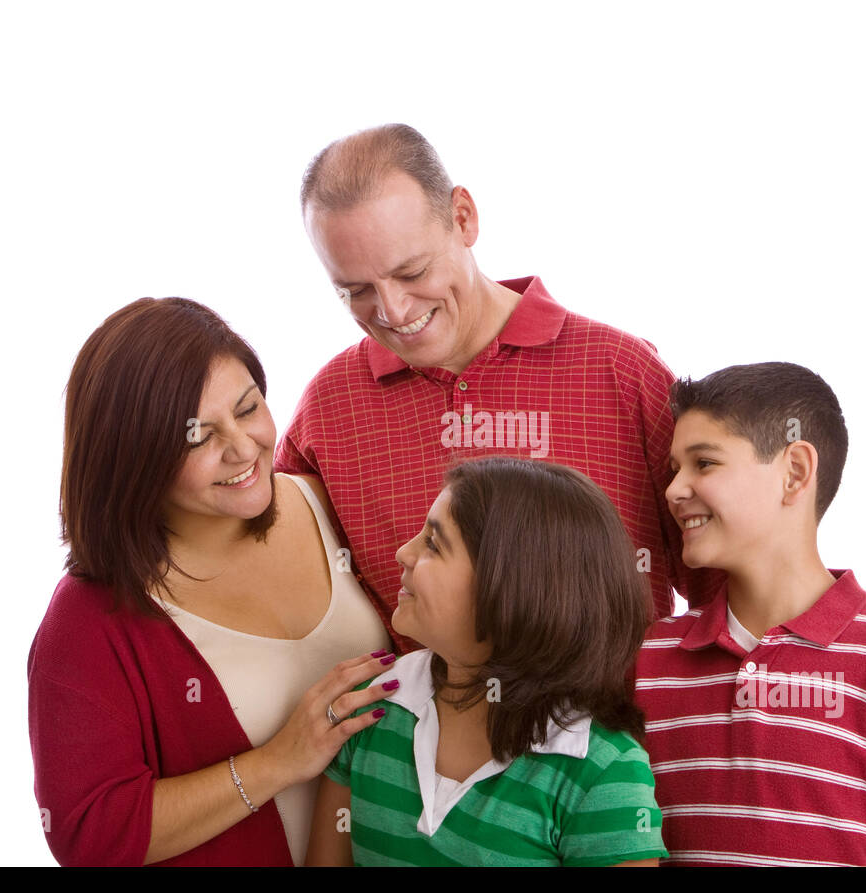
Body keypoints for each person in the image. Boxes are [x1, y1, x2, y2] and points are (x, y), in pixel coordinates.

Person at [276, 123, 718, 652]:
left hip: (615, 729)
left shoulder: (621, 372)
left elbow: (727, 588)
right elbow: (285, 599)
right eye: (356, 290)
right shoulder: (329, 406)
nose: (392, 311)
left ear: (463, 217)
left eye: (412, 271)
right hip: (407, 732)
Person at [28, 296, 398, 866]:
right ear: (134, 461)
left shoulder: (328, 499)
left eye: (248, 408)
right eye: (199, 438)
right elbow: (90, 837)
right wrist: (278, 760)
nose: (243, 448)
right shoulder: (88, 621)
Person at [635, 362, 866, 866]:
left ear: (795, 472)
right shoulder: (644, 662)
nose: (675, 490)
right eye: (675, 469)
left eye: (704, 463)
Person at [306, 457, 668, 866]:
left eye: (433, 544)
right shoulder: (370, 707)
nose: (402, 553)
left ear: (515, 591)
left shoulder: (604, 773)